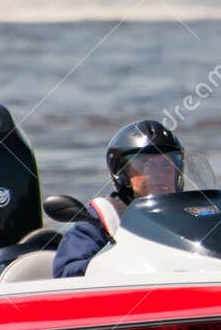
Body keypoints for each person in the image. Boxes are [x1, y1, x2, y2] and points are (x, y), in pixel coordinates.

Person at [53, 119, 185, 278]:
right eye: (146, 165)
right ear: (123, 175)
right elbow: (65, 273)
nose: (158, 174)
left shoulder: (188, 214)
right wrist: (116, 262)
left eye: (166, 165)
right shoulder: (101, 220)